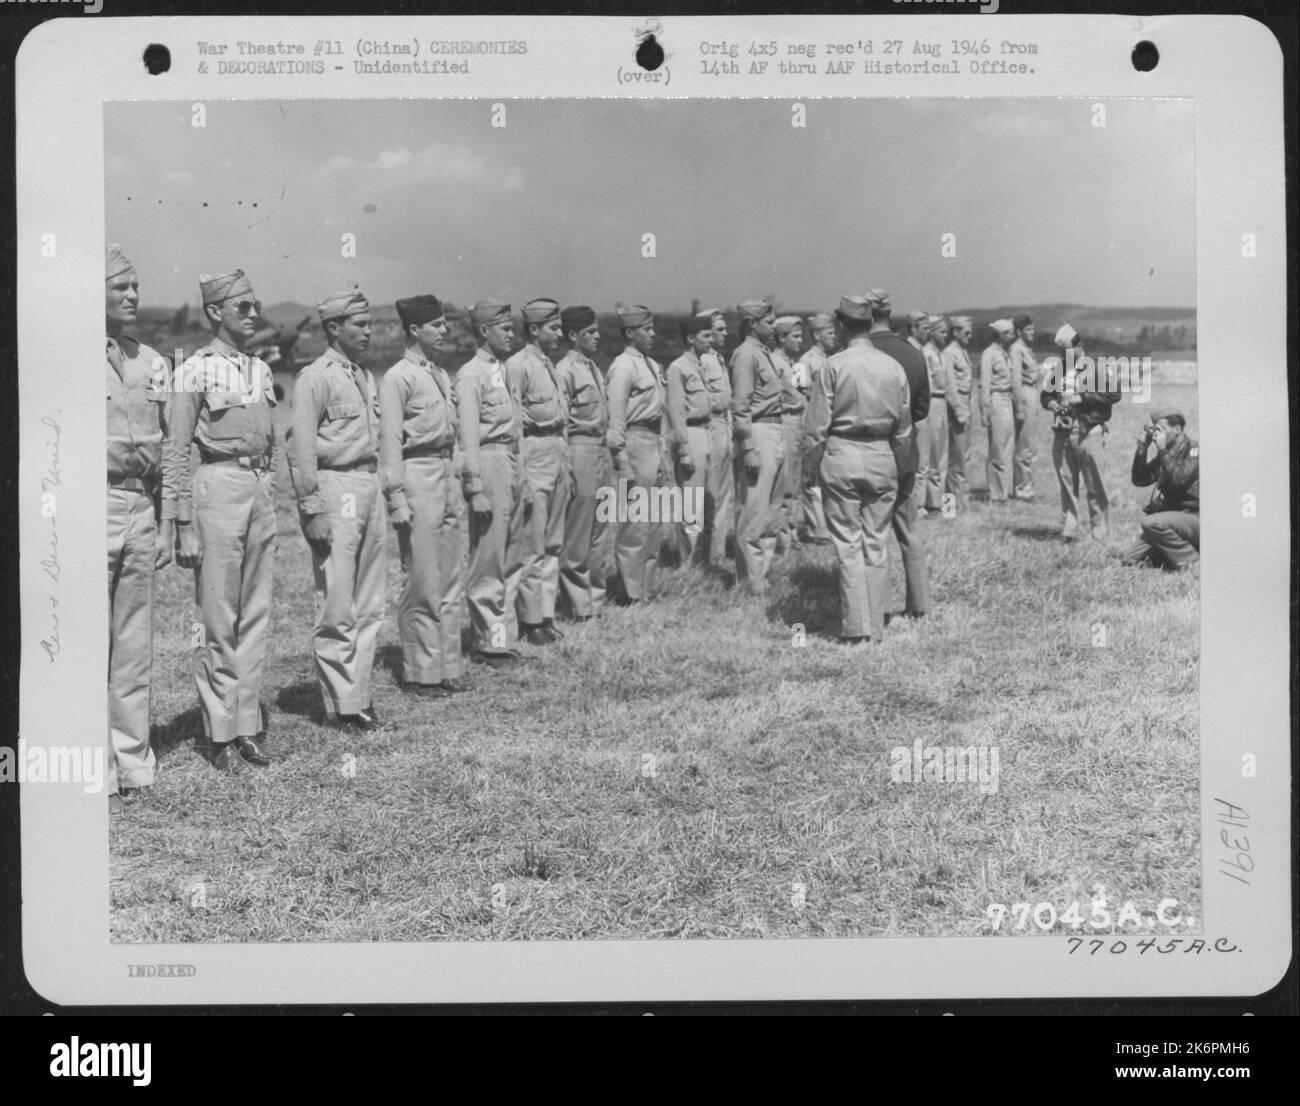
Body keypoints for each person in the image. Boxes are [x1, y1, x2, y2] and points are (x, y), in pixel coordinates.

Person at [165, 268, 278, 769]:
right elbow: (175, 451)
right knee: (217, 618)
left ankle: (245, 724)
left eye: (255, 306)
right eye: (243, 307)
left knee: (254, 613)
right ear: (215, 312)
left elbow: (269, 443)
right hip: (216, 490)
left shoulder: (259, 369)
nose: (254, 314)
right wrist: (182, 522)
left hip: (257, 490)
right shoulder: (193, 370)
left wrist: (267, 484)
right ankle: (218, 733)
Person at [287, 288, 386, 730]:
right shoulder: (316, 376)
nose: (369, 331)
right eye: (359, 324)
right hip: (335, 486)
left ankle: (358, 696)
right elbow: (301, 449)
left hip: (368, 483)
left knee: (369, 602)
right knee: (338, 601)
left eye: (369, 323)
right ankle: (341, 704)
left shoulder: (365, 376)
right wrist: (312, 508)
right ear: (333, 327)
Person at [802, 294, 912, 643]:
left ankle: (856, 627)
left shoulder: (833, 366)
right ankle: (875, 626)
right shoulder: (893, 367)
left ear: (841, 325)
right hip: (882, 455)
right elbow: (905, 429)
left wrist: (808, 470)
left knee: (848, 544)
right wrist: (899, 464)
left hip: (842, 453)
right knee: (876, 542)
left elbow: (816, 428)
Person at [105, 244, 168, 813]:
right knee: (80, 644)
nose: (132, 296)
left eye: (135, 288)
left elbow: (169, 449)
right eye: (120, 287)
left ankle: (133, 761)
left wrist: (167, 520)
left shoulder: (152, 361)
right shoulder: (63, 357)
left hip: (140, 507)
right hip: (88, 505)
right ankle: (88, 763)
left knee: (133, 641)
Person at [378, 294, 466, 699]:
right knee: (422, 579)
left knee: (449, 577)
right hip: (417, 475)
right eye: (436, 325)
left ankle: (447, 666)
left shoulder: (440, 375)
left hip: (444, 473)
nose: (444, 330)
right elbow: (391, 443)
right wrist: (396, 497)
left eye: (445, 323)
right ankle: (420, 672)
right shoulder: (398, 377)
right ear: (414, 330)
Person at [457, 299, 530, 662]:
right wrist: (474, 485)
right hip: (487, 461)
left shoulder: (503, 372)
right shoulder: (471, 375)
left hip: (510, 459)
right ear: (484, 331)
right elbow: (469, 435)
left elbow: (515, 427)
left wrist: (524, 474)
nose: (512, 334)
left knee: (513, 553)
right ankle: (488, 640)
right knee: (488, 556)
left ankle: (505, 634)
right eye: (505, 328)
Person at [507, 299, 572, 645]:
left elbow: (562, 419)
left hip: (556, 453)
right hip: (533, 454)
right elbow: (514, 426)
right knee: (532, 544)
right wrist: (522, 478)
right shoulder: (518, 366)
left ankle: (546, 614)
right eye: (554, 327)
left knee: (553, 541)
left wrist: (568, 465)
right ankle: (531, 620)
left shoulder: (552, 367)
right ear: (534, 329)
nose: (560, 334)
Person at [865, 291, 930, 617]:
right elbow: (922, 408)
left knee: (873, 534)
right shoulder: (912, 353)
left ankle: (877, 609)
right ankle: (919, 606)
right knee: (910, 532)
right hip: (905, 450)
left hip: (869, 451)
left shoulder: (857, 353)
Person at [605, 303, 665, 603]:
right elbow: (616, 417)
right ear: (630, 333)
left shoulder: (651, 365)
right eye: (646, 329)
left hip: (653, 441)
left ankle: (645, 589)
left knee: (654, 523)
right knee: (635, 524)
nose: (652, 333)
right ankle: (629, 592)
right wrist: (621, 459)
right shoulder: (623, 366)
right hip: (635, 441)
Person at [556, 305, 613, 619]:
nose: (596, 336)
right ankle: (577, 606)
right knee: (578, 534)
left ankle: (595, 601)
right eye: (589, 332)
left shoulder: (592, 367)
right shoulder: (565, 370)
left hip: (600, 450)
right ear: (572, 335)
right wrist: (568, 466)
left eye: (596, 330)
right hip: (580, 450)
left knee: (600, 530)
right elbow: (562, 423)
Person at [1040, 323, 1122, 541]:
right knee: (1066, 482)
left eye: (1065, 351)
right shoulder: (1058, 370)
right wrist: (1052, 405)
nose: (1061, 355)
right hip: (1062, 431)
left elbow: (1114, 394)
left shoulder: (1097, 367)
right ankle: (1069, 530)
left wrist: (1083, 397)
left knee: (1095, 484)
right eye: (1059, 352)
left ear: (1079, 346)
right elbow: (1045, 395)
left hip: (1088, 431)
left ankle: (1100, 533)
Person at [729, 299, 785, 594]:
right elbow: (740, 406)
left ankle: (760, 578)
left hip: (775, 429)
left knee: (770, 513)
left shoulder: (765, 354)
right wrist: (748, 446)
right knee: (753, 512)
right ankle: (749, 584)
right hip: (759, 431)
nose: (774, 327)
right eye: (770, 322)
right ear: (752, 324)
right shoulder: (745, 356)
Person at [1120, 409, 1200, 570]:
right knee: (1130, 558)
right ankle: (1179, 553)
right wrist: (1142, 450)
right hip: (1175, 520)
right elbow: (1140, 480)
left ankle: (1192, 562)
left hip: (1196, 517)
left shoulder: (1193, 450)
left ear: (1177, 429)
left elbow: (1179, 478)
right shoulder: (1167, 453)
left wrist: (1162, 451)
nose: (1157, 434)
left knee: (1151, 523)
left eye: (1161, 429)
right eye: (1155, 429)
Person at [664, 314, 712, 565]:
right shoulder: (678, 368)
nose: (710, 340)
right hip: (690, 435)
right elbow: (676, 411)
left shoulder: (700, 366)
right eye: (705, 336)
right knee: (691, 503)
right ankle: (688, 563)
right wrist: (683, 449)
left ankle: (701, 559)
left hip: (705, 433)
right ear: (691, 338)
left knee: (703, 502)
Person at [795, 312, 836, 544]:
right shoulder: (804, 361)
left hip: (828, 425)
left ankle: (826, 526)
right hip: (812, 423)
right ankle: (816, 529)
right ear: (816, 335)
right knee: (811, 480)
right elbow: (797, 394)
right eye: (829, 333)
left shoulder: (830, 360)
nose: (833, 337)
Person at [697, 308, 734, 562]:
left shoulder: (719, 359)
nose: (725, 334)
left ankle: (717, 551)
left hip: (726, 425)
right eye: (719, 330)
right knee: (707, 494)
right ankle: (701, 553)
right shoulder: (702, 360)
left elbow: (801, 394)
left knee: (723, 495)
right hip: (711, 425)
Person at [771, 315, 807, 551]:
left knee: (795, 482)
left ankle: (792, 530)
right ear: (782, 337)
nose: (800, 340)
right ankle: (781, 536)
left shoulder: (797, 364)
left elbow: (804, 394)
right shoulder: (773, 362)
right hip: (784, 421)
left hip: (799, 421)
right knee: (784, 483)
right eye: (795, 336)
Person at [980, 319, 1020, 503]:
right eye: (1010, 333)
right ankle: (996, 493)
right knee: (997, 446)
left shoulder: (1006, 353)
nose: (1013, 337)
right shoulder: (989, 354)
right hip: (996, 399)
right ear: (1001, 335)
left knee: (1008, 445)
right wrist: (985, 410)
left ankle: (1004, 490)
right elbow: (985, 384)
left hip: (1007, 399)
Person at [942, 315, 975, 510]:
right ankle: (949, 506)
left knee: (965, 457)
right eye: (966, 333)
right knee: (955, 459)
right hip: (958, 409)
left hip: (966, 404)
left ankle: (961, 501)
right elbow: (950, 386)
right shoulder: (949, 353)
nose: (969, 337)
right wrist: (959, 412)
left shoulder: (962, 352)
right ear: (955, 332)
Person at [903, 311, 933, 511]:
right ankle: (918, 506)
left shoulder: (926, 351)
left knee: (939, 462)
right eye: (926, 329)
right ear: (913, 329)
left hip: (932, 406)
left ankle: (944, 507)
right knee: (920, 462)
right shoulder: (910, 352)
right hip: (918, 410)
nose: (928, 333)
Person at [921, 315, 951, 516]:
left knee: (942, 455)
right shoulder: (926, 354)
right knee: (932, 454)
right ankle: (930, 503)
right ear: (932, 333)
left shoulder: (940, 354)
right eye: (942, 332)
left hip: (942, 402)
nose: (945, 336)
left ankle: (943, 504)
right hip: (932, 402)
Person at [1009, 313, 1039, 500]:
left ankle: (1028, 486)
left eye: (1032, 329)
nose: (1032, 332)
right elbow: (1016, 381)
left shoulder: (1026, 349)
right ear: (1019, 332)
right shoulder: (1016, 350)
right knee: (1024, 446)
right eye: (1028, 329)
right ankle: (1022, 488)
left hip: (1032, 394)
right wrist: (1019, 406)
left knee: (1031, 445)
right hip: (1025, 395)